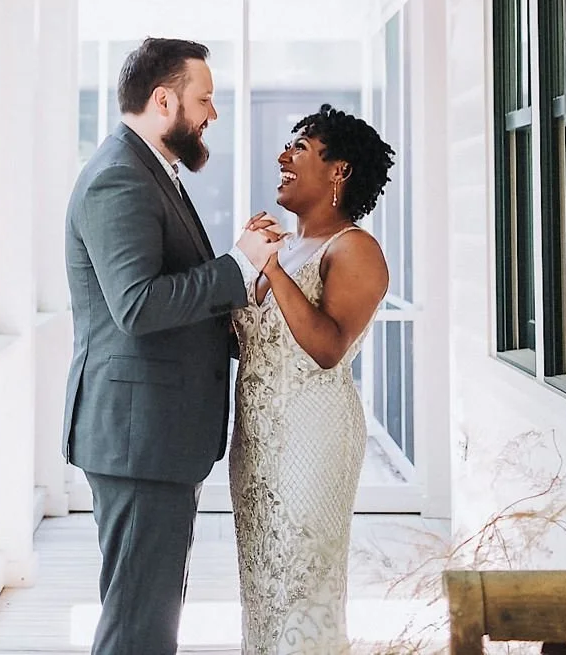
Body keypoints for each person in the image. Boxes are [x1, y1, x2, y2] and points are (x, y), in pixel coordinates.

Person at [63, 38, 285, 655]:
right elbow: (138, 307)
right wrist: (236, 266)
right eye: (204, 99)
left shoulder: (150, 169)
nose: (212, 113)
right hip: (138, 439)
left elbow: (168, 289)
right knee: (138, 620)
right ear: (165, 100)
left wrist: (240, 274)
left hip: (152, 437)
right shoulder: (118, 179)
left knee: (149, 612)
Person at [229, 103, 395, 655]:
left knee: (302, 586)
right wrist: (244, 263)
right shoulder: (282, 247)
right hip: (255, 443)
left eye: (299, 148)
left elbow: (327, 347)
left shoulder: (355, 249)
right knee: (264, 587)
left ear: (339, 171)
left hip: (312, 441)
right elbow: (248, 344)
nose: (282, 155)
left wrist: (271, 272)